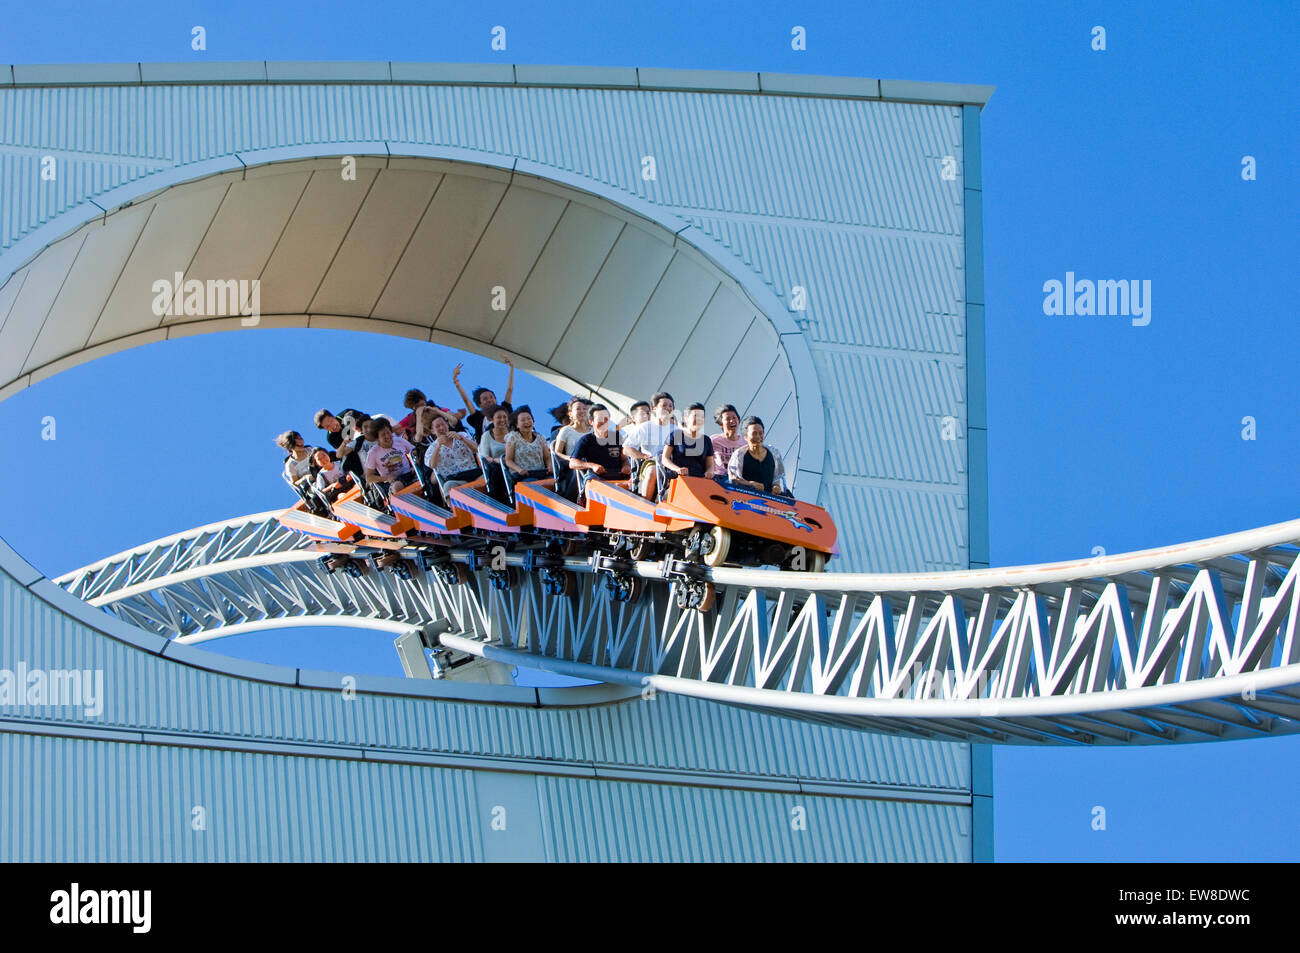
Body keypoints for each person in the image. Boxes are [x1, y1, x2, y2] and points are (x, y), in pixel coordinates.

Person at [623, 392, 677, 499]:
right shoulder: (645, 427)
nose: (667, 408)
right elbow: (627, 449)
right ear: (654, 408)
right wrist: (644, 456)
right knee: (653, 470)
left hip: (672, 463)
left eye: (670, 406)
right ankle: (645, 503)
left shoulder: (677, 430)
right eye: (664, 405)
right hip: (651, 462)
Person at [569, 404, 628, 498]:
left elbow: (624, 459)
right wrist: (592, 465)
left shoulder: (617, 437)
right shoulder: (586, 440)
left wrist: (626, 466)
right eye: (600, 418)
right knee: (590, 484)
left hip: (618, 476)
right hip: (597, 477)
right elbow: (572, 463)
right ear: (591, 422)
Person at [660, 403, 716, 496]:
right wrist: (677, 469)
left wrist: (709, 472)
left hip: (699, 481)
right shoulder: (676, 435)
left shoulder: (706, 440)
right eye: (695, 416)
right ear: (686, 419)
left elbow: (710, 465)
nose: (699, 419)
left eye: (702, 417)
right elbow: (664, 459)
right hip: (678, 478)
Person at [727, 416, 789, 496]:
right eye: (754, 433)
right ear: (745, 437)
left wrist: (776, 486)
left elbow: (779, 476)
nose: (758, 437)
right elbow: (733, 479)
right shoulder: (739, 455)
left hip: (771, 500)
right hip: (746, 498)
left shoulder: (774, 453)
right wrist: (750, 484)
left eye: (761, 433)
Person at [453, 359, 515, 440]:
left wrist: (512, 368)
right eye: (485, 399)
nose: (489, 400)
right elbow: (466, 401)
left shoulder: (505, 409)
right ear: (479, 404)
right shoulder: (478, 418)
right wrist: (456, 381)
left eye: (491, 397)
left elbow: (509, 390)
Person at [423, 415, 483, 490]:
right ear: (432, 431)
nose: (441, 428)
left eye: (443, 424)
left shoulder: (462, 435)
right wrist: (438, 446)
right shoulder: (431, 448)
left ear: (447, 425)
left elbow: (478, 449)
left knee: (489, 476)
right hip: (455, 480)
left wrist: (462, 439)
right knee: (448, 486)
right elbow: (432, 465)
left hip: (474, 475)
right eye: (437, 426)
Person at [362, 417, 417, 494]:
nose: (387, 436)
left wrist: (415, 467)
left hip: (409, 474)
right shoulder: (373, 453)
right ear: (377, 438)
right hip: (392, 482)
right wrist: (386, 478)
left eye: (388, 432)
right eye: (383, 435)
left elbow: (415, 453)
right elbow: (369, 477)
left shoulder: (399, 441)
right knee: (397, 486)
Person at [552, 398, 593, 499]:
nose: (582, 411)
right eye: (578, 409)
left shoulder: (593, 430)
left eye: (584, 409)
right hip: (573, 465)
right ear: (570, 414)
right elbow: (557, 452)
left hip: (592, 463)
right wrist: (570, 458)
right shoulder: (566, 430)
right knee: (578, 470)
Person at [504, 406, 553, 490]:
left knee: (555, 482)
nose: (527, 422)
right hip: (523, 476)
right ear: (517, 425)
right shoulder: (513, 437)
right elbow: (508, 460)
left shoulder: (540, 437)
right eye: (522, 420)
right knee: (535, 487)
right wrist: (519, 470)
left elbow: (547, 457)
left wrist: (550, 466)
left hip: (540, 473)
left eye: (529, 419)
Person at [313, 408, 371, 480]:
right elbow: (343, 453)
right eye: (327, 427)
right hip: (356, 451)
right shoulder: (331, 438)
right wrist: (345, 443)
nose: (332, 426)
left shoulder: (347, 414)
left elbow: (366, 420)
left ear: (333, 416)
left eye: (331, 421)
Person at [477, 405, 513, 502]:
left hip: (515, 462)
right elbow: (484, 456)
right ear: (492, 419)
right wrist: (495, 460)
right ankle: (501, 501)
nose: (502, 420)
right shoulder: (487, 436)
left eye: (504, 417)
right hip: (498, 464)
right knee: (496, 471)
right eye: (498, 417)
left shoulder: (513, 432)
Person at [397, 388, 465, 439]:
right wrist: (419, 415)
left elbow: (453, 418)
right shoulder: (411, 418)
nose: (422, 408)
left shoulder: (436, 408)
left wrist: (437, 411)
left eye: (423, 404)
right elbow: (418, 436)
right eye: (418, 407)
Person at [709, 404, 745, 479]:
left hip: (739, 481)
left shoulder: (745, 443)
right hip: (719, 479)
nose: (732, 421)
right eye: (728, 419)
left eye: (734, 418)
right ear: (720, 423)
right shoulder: (713, 440)